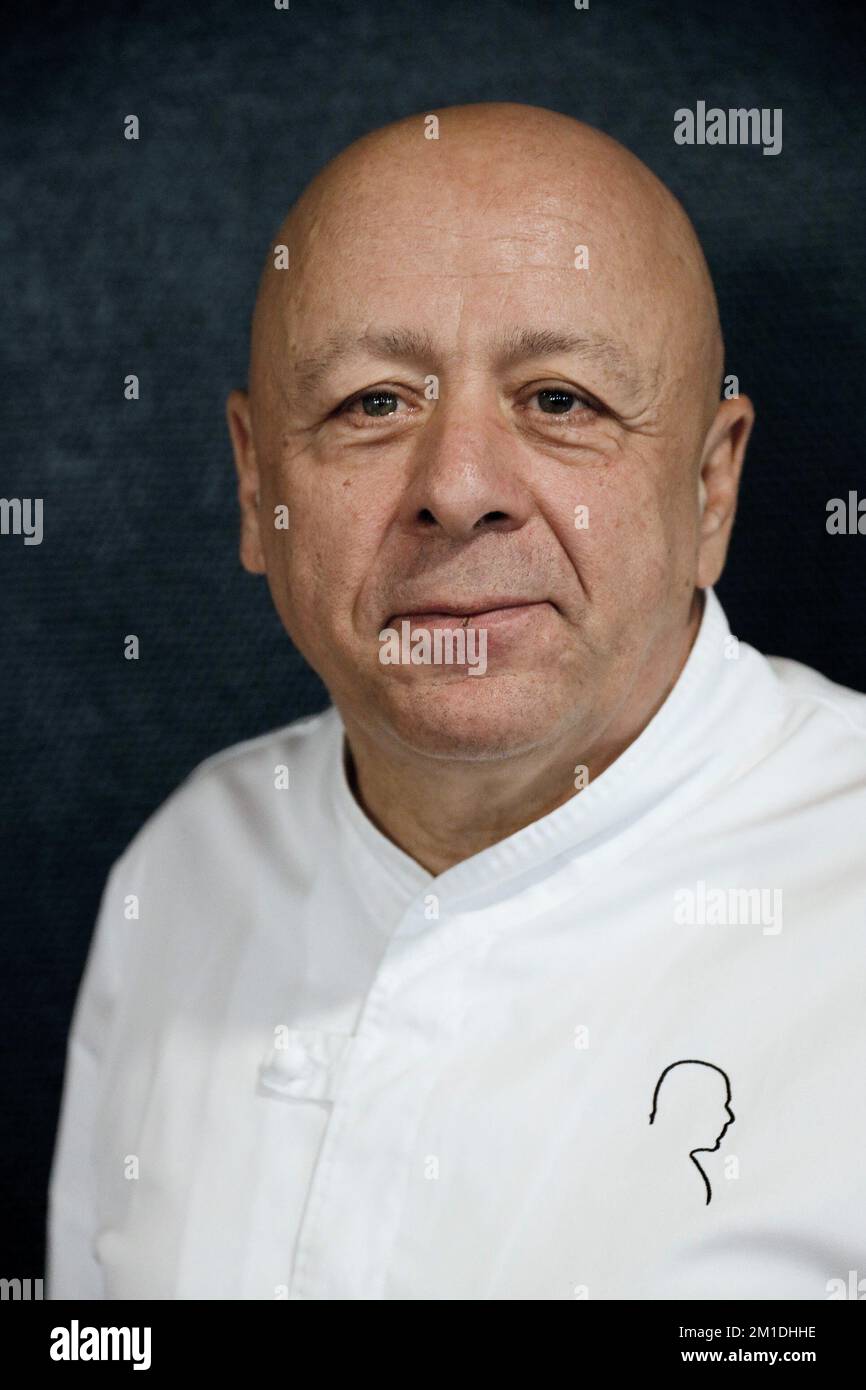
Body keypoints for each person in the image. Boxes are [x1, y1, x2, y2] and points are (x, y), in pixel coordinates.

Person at [47, 102, 866, 1300]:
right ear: (254, 482)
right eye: (372, 403)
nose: (459, 487)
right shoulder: (179, 872)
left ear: (709, 486)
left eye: (559, 400)